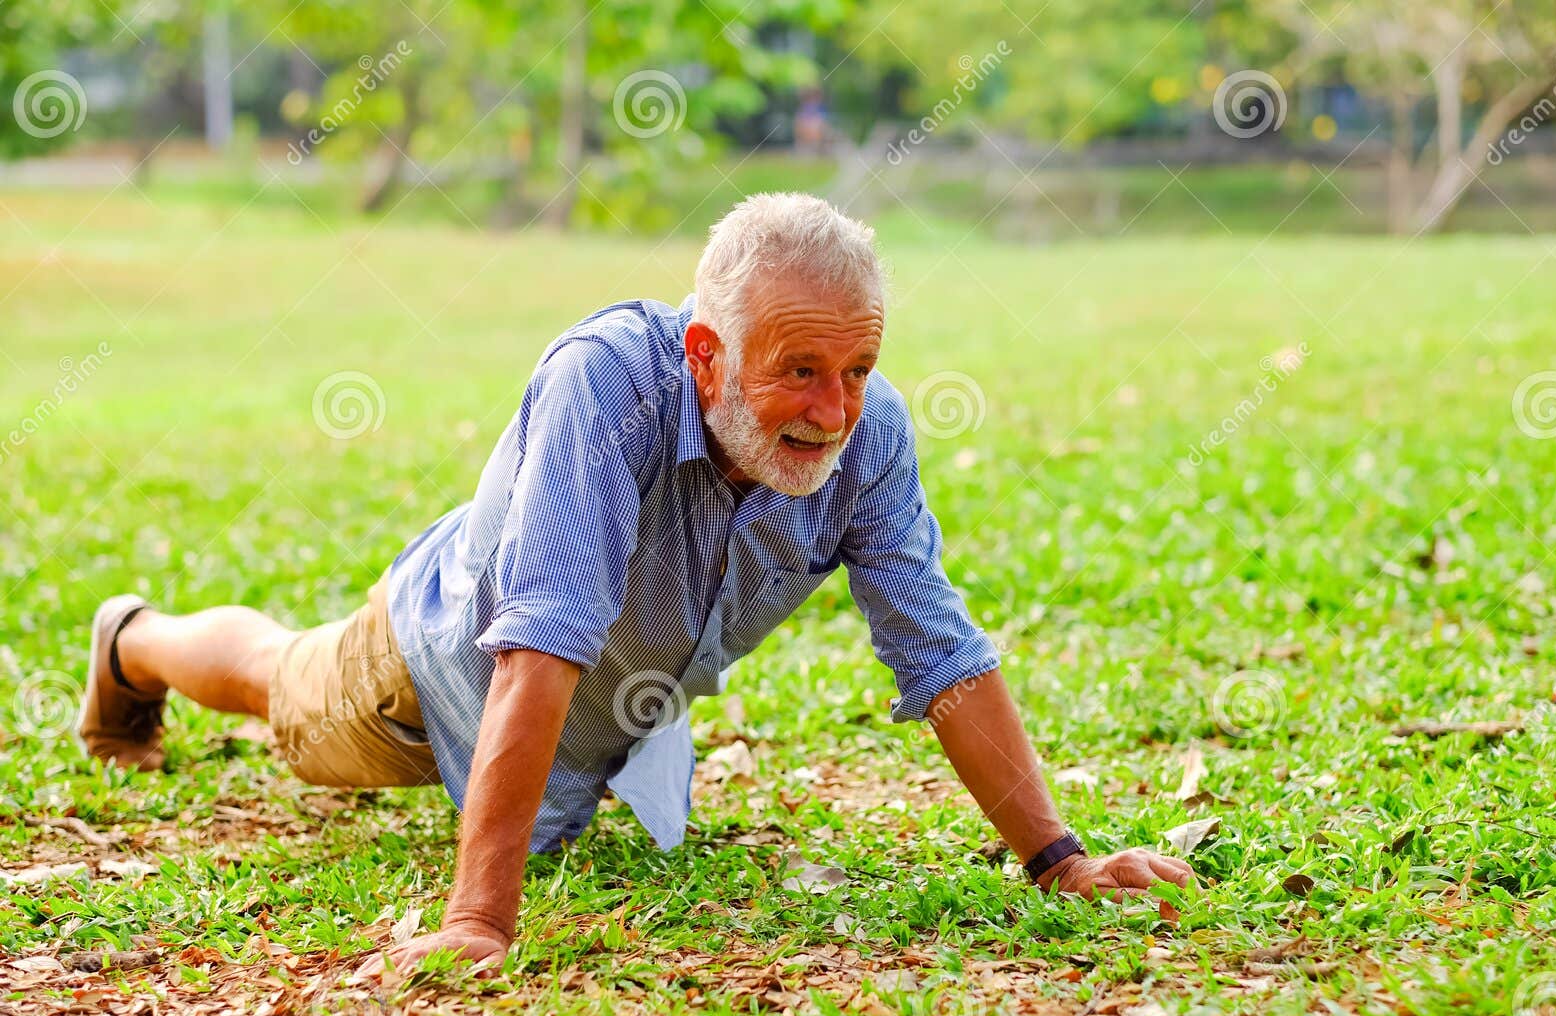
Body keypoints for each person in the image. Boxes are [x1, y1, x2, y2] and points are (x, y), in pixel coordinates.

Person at [76, 193, 1195, 975]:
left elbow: (937, 646)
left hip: (606, 716)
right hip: (427, 670)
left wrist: (1060, 861)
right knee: (283, 682)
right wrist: (480, 919)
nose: (834, 408)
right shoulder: (603, 381)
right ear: (706, 354)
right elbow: (543, 643)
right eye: (798, 370)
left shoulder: (869, 436)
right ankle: (132, 640)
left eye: (856, 367)